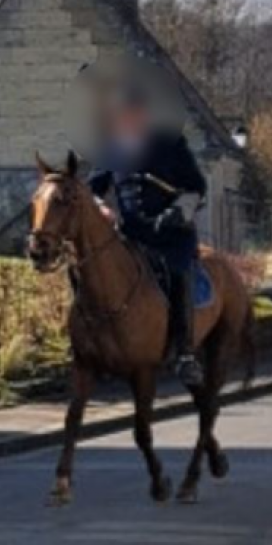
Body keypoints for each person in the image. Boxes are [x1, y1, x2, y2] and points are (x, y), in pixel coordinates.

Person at [87, 86, 208, 386]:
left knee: (177, 275)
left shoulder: (170, 144)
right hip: (131, 235)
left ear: (143, 115)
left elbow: (197, 187)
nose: (127, 120)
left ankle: (185, 354)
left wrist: (179, 210)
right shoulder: (110, 150)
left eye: (132, 114)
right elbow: (93, 189)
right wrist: (101, 207)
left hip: (170, 235)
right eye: (121, 115)